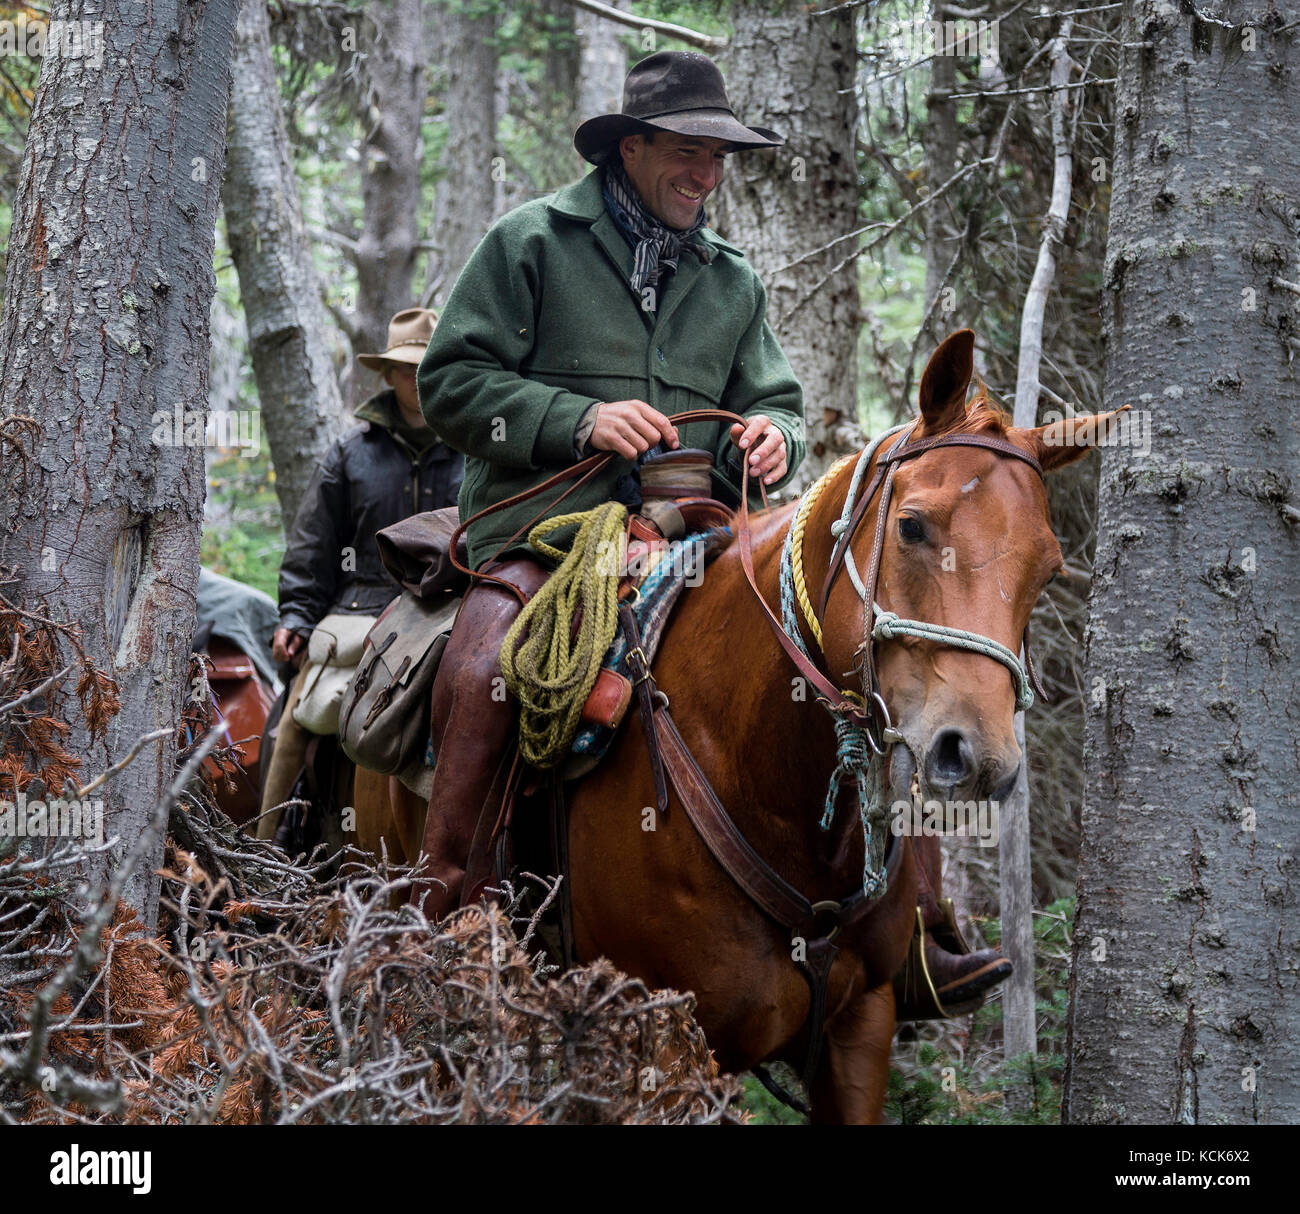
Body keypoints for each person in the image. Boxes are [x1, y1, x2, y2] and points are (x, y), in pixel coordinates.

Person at [418, 51, 1008, 1015]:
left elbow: (774, 398)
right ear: (633, 146)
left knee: (856, 651)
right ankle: (451, 913)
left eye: (720, 157)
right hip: (546, 531)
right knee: (489, 661)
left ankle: (910, 928)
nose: (708, 175)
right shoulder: (529, 243)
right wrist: (577, 420)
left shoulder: (732, 283)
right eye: (689, 151)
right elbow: (450, 385)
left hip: (697, 531)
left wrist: (774, 437)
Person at [259, 308, 463, 840]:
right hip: (359, 607)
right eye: (405, 370)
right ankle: (268, 849)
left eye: (424, 370)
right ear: (388, 374)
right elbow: (314, 542)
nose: (414, 381)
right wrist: (298, 618)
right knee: (298, 717)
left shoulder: (472, 448)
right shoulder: (351, 453)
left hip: (449, 605)